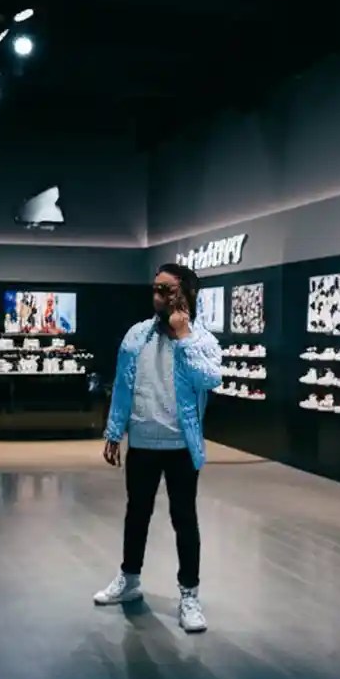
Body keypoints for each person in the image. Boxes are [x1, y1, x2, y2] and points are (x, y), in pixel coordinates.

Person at [94, 262, 222, 633]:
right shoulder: (136, 335)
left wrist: (183, 338)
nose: (158, 296)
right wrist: (114, 431)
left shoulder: (202, 340)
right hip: (144, 443)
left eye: (166, 290)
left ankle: (190, 595)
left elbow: (210, 378)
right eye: (156, 288)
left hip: (182, 446)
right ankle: (129, 580)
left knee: (184, 519)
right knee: (137, 514)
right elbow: (122, 386)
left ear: (186, 294)